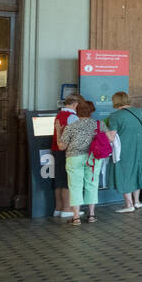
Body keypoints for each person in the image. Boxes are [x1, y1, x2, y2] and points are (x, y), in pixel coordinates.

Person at [60, 98, 103, 225]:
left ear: (77, 112)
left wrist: (58, 131)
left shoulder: (71, 126)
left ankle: (76, 217)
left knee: (75, 186)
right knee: (92, 184)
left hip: (74, 157)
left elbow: (62, 146)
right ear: (91, 112)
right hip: (93, 157)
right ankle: (91, 215)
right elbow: (110, 138)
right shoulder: (98, 124)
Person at [105, 91, 142, 213]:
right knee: (136, 172)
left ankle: (129, 205)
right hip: (139, 147)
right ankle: (137, 202)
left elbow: (111, 137)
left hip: (124, 149)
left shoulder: (115, 116)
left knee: (124, 174)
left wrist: (102, 130)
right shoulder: (138, 112)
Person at [50, 92, 81, 220]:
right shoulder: (72, 117)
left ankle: (58, 208)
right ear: (75, 104)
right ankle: (67, 209)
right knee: (68, 181)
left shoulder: (59, 114)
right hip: (67, 151)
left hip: (56, 149)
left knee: (58, 180)